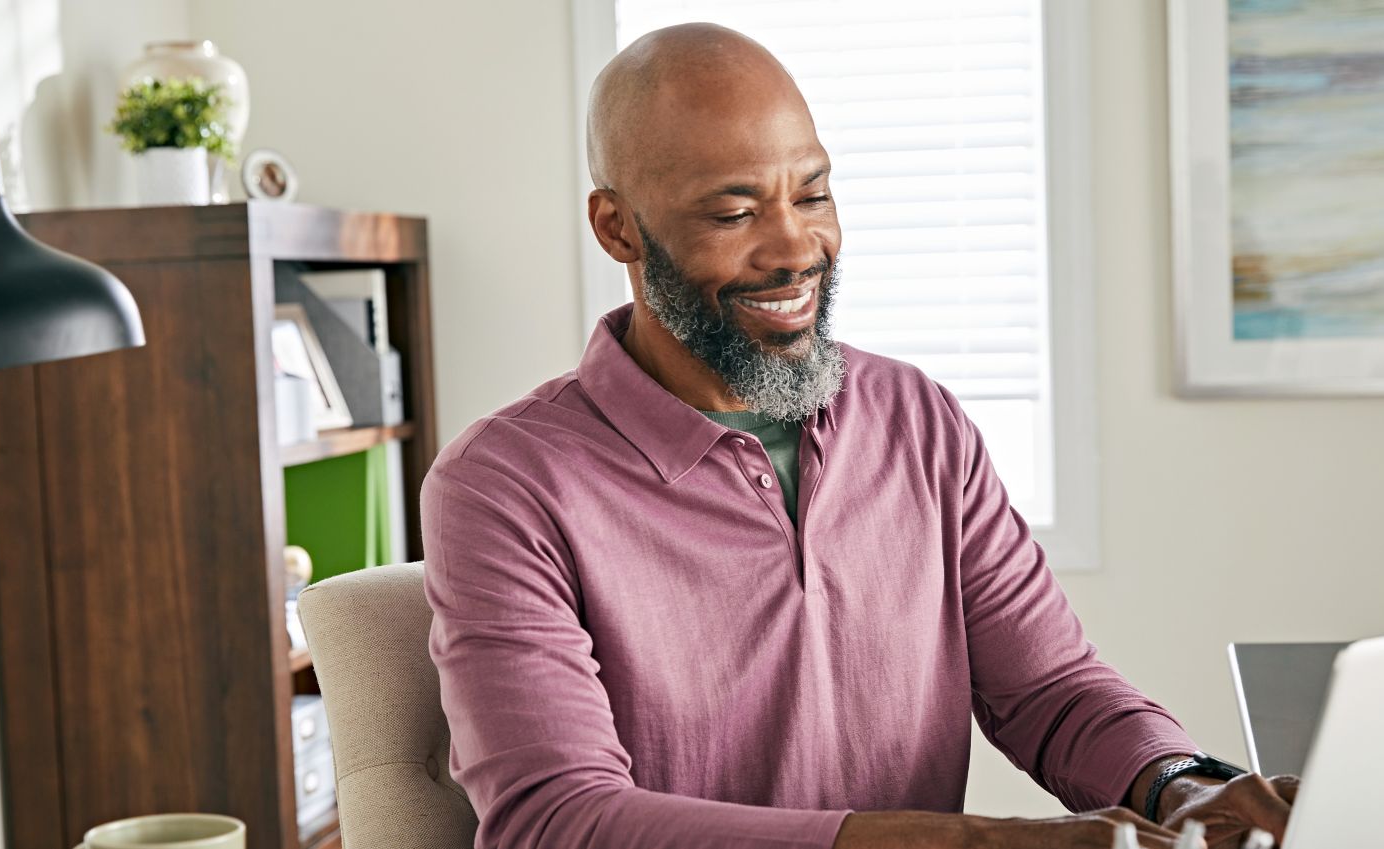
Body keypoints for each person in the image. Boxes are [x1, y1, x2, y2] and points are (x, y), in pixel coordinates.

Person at [420, 22, 1297, 849]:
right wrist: (971, 838)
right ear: (617, 227)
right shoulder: (504, 484)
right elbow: (558, 820)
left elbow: (1048, 690)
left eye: (812, 194)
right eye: (732, 215)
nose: (794, 246)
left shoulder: (916, 417)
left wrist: (1183, 786)